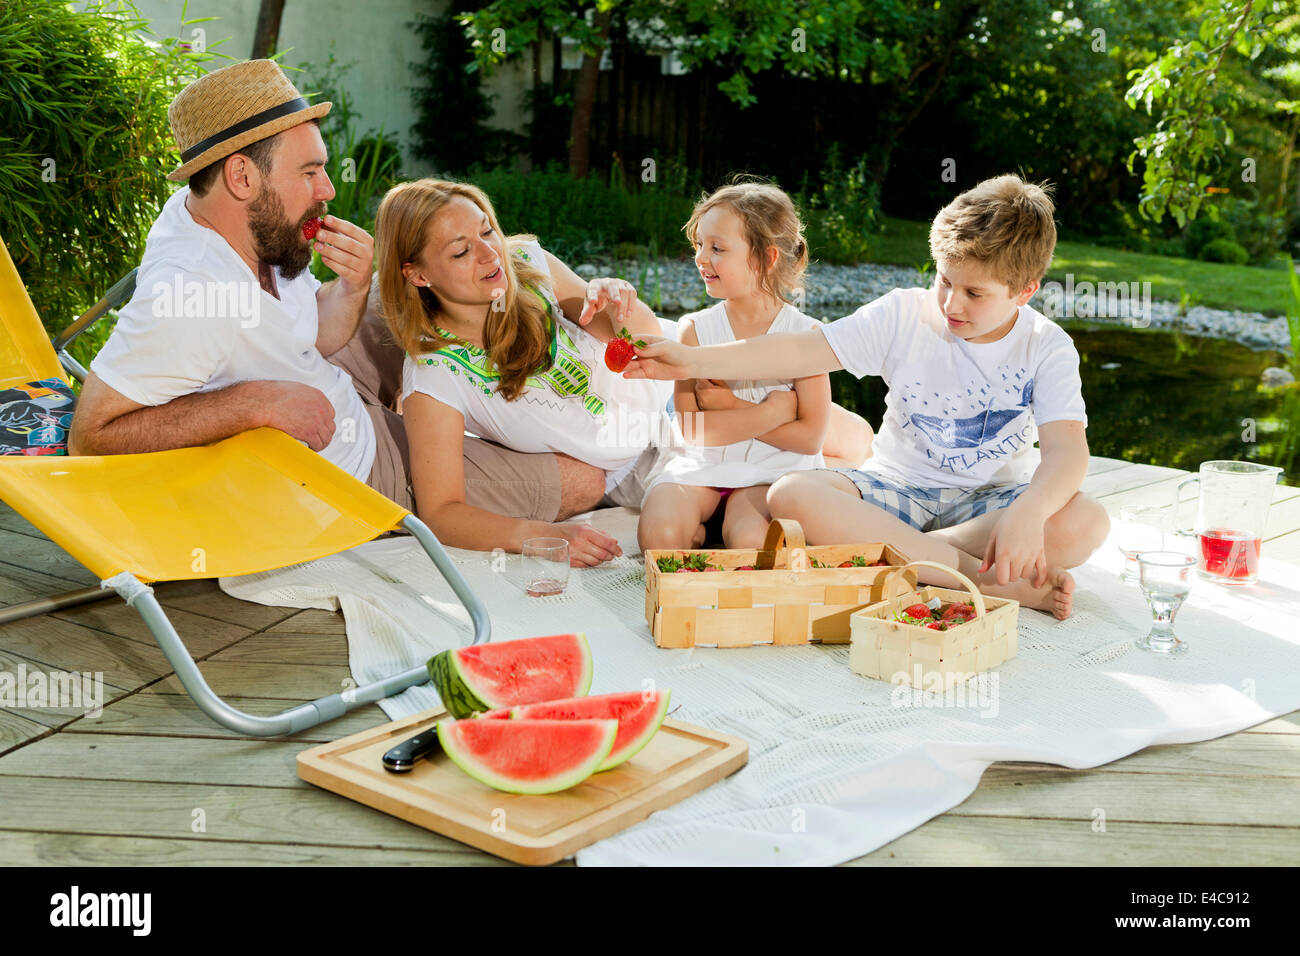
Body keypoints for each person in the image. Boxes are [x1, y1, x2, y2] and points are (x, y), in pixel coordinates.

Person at [68, 59, 600, 524]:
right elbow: (91, 438)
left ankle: (566, 371)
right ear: (241, 177)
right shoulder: (189, 297)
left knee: (428, 275)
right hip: (357, 461)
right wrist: (254, 401)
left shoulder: (233, 220)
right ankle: (514, 418)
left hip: (330, 375)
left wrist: (351, 287)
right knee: (586, 480)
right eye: (310, 173)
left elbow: (306, 337)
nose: (328, 190)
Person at [624, 174, 1111, 619]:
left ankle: (902, 555)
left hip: (986, 505)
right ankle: (981, 581)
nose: (951, 304)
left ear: (1025, 292)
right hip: (893, 490)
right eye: (944, 280)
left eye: (975, 294)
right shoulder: (902, 313)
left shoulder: (1047, 345)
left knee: (1086, 520)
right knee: (792, 493)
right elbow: (799, 350)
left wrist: (1027, 515)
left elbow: (1067, 454)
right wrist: (692, 361)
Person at [374, 178, 678, 567]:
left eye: (486, 231)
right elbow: (442, 510)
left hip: (677, 386)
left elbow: (643, 339)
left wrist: (614, 300)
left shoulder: (528, 264)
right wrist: (543, 536)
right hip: (638, 467)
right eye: (462, 251)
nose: (489, 254)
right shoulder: (435, 374)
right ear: (417, 275)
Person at [638, 182, 831, 552]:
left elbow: (810, 438)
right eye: (699, 245)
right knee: (658, 536)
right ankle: (698, 534)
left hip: (775, 473)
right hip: (701, 468)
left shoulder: (807, 336)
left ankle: (719, 535)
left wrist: (732, 408)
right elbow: (693, 430)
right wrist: (775, 412)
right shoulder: (695, 329)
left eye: (717, 248)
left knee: (752, 544)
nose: (700, 258)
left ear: (765, 259)